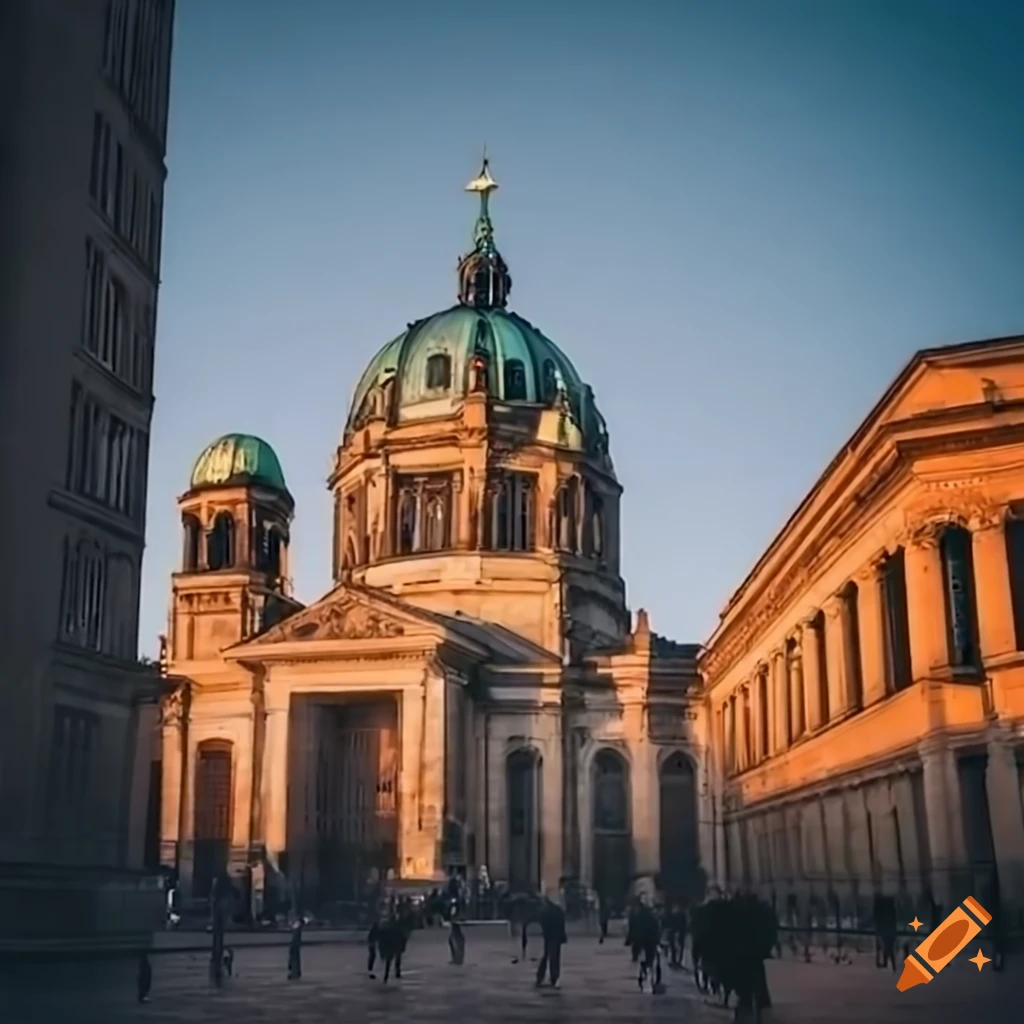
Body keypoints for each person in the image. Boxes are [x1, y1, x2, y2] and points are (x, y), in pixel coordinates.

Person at [535, 896, 567, 988]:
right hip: (556, 936)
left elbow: (543, 923)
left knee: (547, 956)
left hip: (549, 936)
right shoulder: (558, 910)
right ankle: (554, 977)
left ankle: (541, 977)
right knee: (555, 957)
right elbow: (562, 924)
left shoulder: (545, 910)